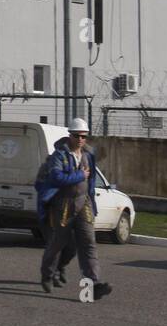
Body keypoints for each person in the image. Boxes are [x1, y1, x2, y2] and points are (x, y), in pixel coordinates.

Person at [37, 118, 112, 300]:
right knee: (58, 244)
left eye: (83, 136)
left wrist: (91, 199)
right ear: (70, 135)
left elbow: (91, 180)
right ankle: (47, 273)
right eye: (77, 135)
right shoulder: (60, 155)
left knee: (88, 245)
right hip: (63, 206)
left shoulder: (88, 155)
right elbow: (56, 178)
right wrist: (79, 175)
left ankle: (91, 286)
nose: (80, 139)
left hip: (83, 203)